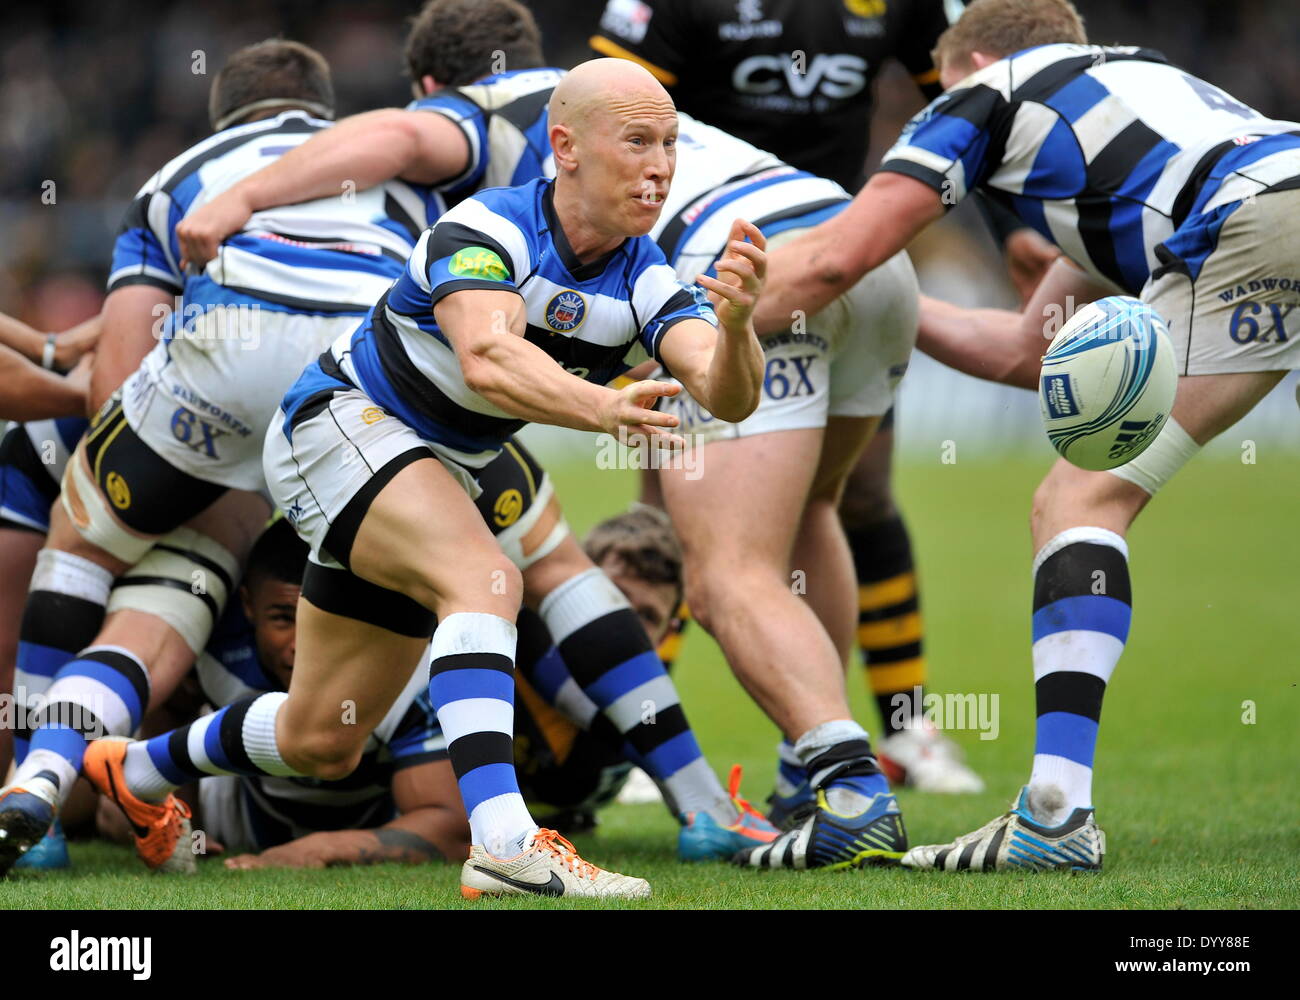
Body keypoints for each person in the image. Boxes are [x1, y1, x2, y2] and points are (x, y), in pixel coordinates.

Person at [81, 56, 767, 901]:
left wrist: (736, 328)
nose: (661, 165)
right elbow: (487, 358)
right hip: (333, 428)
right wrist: (603, 409)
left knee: (320, 734)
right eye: (636, 141)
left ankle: (133, 768)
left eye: (668, 142)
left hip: (425, 467)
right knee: (486, 580)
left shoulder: (647, 273)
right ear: (567, 147)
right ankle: (507, 842)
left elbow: (724, 393)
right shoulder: (490, 226)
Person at [750, 0, 1300, 870]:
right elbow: (1020, 351)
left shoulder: (984, 92)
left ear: (969, 62)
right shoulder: (1132, 111)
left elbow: (831, 259)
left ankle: (1055, 814)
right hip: (1271, 201)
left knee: (1079, 496)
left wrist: (705, 316)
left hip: (1252, 223)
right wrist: (896, 305)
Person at [0, 38, 446, 877]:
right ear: (321, 109)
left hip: (229, 363)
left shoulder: (181, 170)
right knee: (498, 560)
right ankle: (618, 795)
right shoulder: (395, 165)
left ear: (223, 113)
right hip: (372, 370)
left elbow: (119, 376)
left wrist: (144, 481)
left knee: (102, 549)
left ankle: (42, 792)